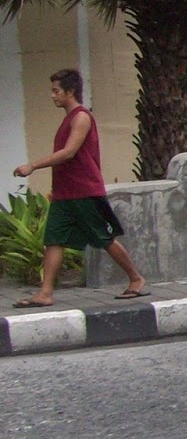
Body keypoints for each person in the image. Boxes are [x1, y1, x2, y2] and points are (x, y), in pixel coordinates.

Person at [11, 69, 146, 307]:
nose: (52, 96)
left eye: (56, 91)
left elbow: (69, 152)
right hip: (65, 193)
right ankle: (45, 293)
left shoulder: (82, 117)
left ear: (70, 91)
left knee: (103, 238)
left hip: (84, 190)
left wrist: (32, 165)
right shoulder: (68, 118)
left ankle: (136, 279)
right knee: (53, 238)